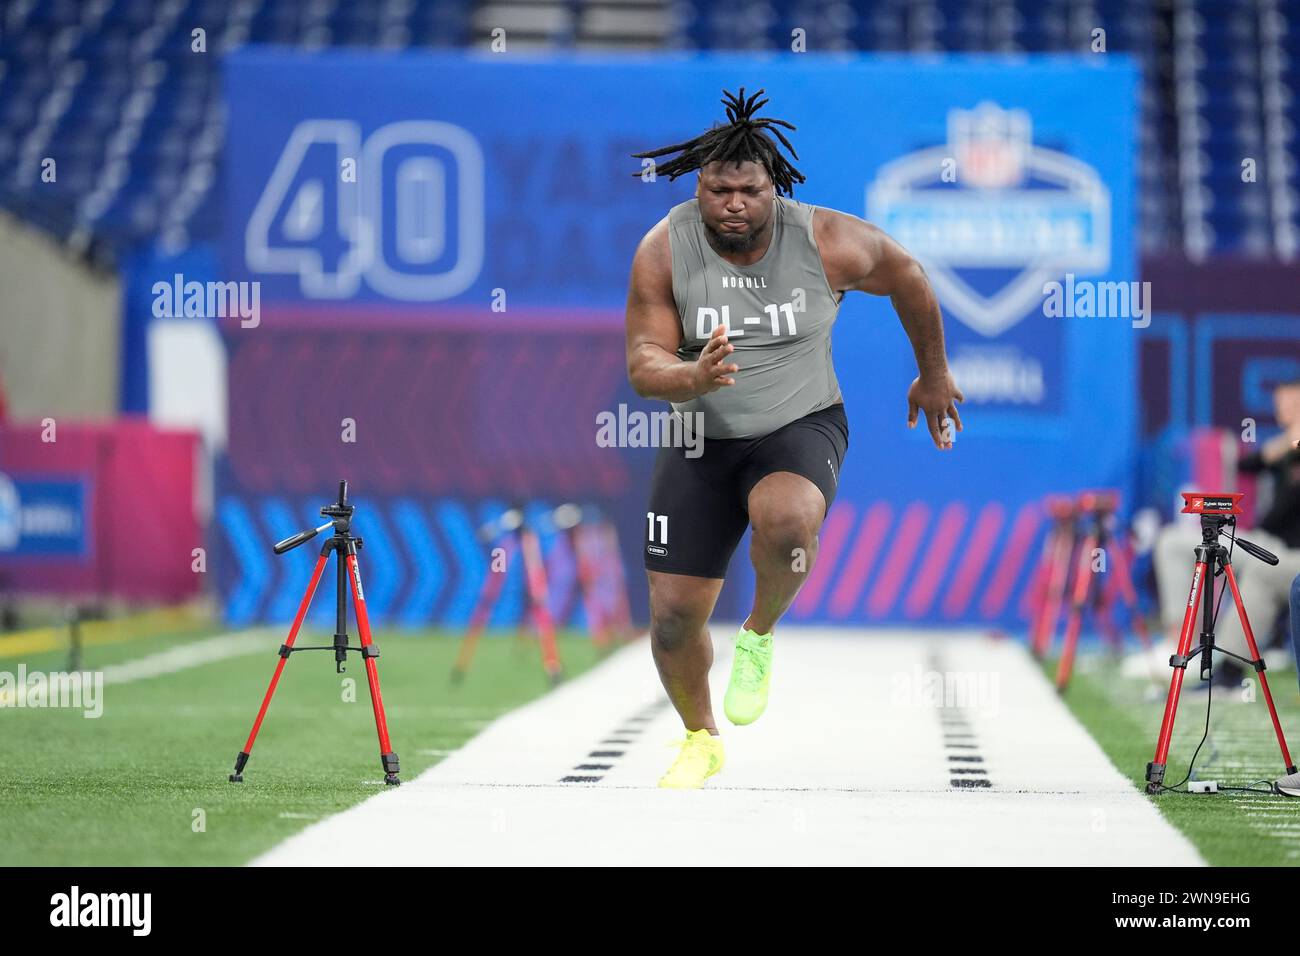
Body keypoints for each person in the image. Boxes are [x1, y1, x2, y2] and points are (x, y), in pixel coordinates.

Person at [623, 88, 963, 788]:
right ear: (699, 186)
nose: (734, 204)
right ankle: (700, 738)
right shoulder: (664, 248)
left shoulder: (828, 241)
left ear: (774, 187)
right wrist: (692, 376)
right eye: (718, 190)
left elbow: (910, 277)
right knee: (672, 622)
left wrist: (932, 374)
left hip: (799, 424)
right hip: (699, 434)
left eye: (749, 189)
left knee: (786, 527)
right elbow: (641, 366)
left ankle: (759, 633)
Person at [1154, 379, 1300, 687]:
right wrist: (1281, 448)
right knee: (1173, 542)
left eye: (1292, 403)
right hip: (1268, 543)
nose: (1284, 410)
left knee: (1261, 571)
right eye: (1280, 404)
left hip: (1286, 554)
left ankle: (1230, 673)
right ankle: (1179, 643)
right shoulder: (1286, 447)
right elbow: (1246, 464)